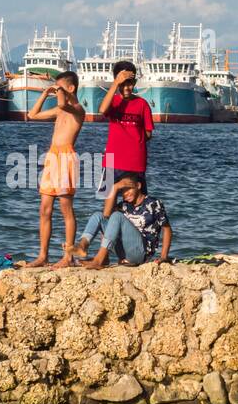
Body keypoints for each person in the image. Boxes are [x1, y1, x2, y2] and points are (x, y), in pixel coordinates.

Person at [19, 71, 85, 269]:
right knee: (44, 210)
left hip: (66, 158)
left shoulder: (78, 109)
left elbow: (64, 104)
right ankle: (43, 256)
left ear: (71, 89)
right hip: (52, 157)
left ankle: (68, 257)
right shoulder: (59, 111)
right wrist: (44, 93)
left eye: (60, 88)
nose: (58, 92)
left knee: (66, 210)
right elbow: (32, 115)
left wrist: (58, 92)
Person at [76, 176, 172, 269]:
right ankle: (82, 246)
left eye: (128, 189)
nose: (125, 193)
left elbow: (167, 229)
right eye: (122, 191)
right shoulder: (124, 205)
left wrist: (163, 257)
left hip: (142, 252)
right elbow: (106, 215)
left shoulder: (153, 203)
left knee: (116, 216)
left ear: (138, 186)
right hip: (125, 252)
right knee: (98, 216)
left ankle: (99, 260)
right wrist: (115, 188)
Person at [97, 61, 153, 191]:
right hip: (112, 158)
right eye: (122, 84)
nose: (127, 87)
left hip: (136, 159)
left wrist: (133, 139)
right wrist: (116, 82)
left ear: (134, 82)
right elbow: (102, 109)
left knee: (137, 198)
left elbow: (148, 133)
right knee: (107, 194)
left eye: (130, 83)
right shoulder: (113, 101)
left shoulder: (142, 104)